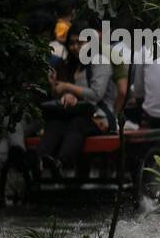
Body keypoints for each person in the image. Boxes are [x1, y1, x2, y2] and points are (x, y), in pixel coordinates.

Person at [34, 25, 112, 177]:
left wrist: (68, 87)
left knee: (78, 124)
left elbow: (96, 94)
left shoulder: (100, 62)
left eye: (80, 42)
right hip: (73, 112)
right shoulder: (69, 65)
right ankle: (41, 159)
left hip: (98, 116)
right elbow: (60, 93)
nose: (75, 47)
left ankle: (62, 162)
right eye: (72, 43)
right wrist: (56, 88)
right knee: (54, 123)